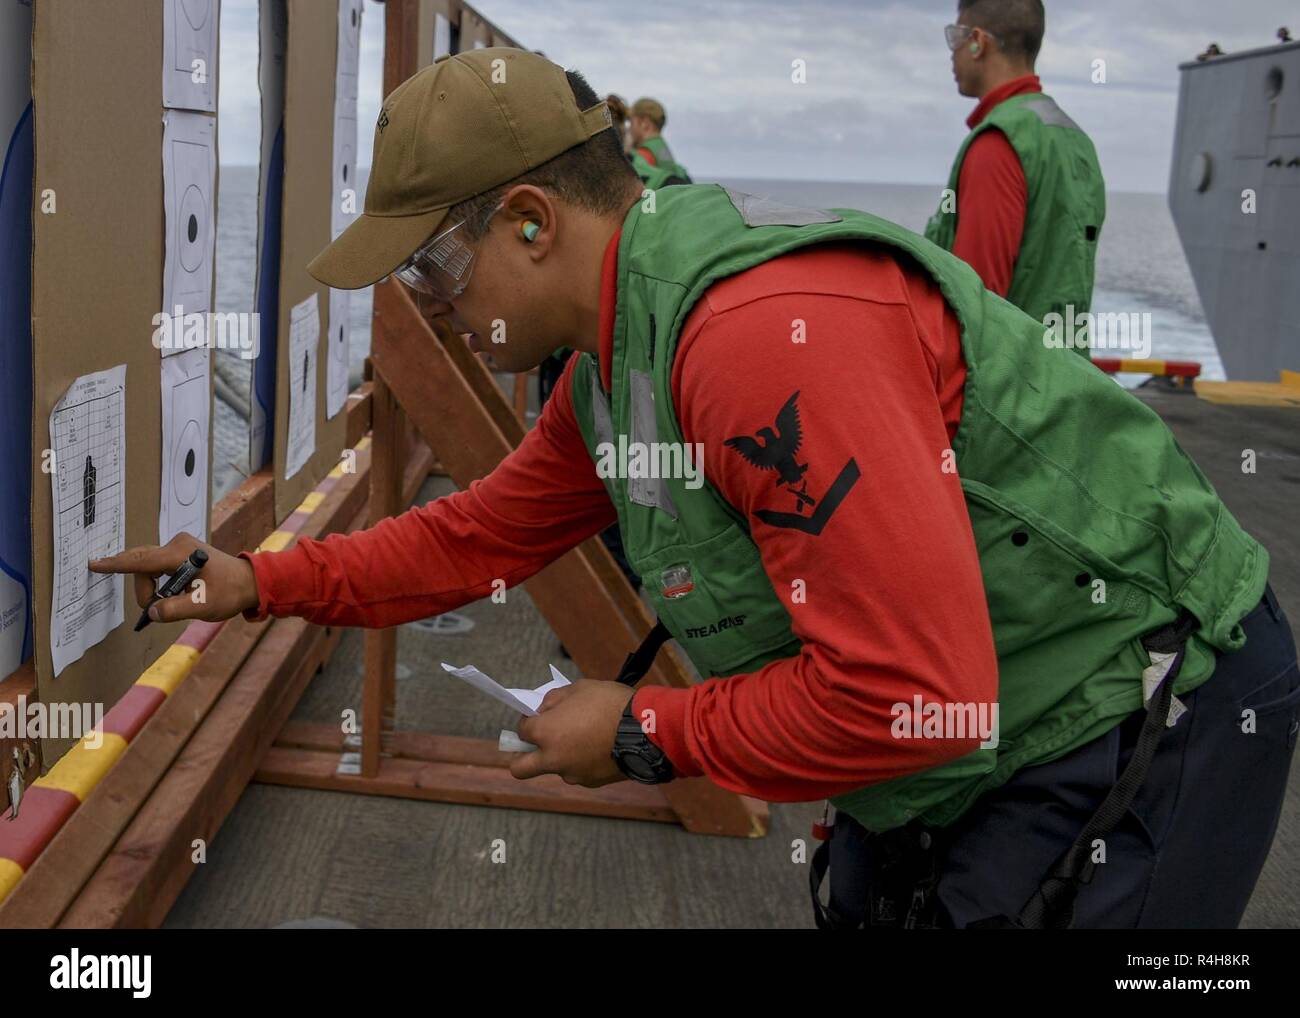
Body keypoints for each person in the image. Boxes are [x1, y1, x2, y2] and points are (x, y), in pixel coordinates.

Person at [92, 49, 1297, 929]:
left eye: (433, 268)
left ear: (529, 221)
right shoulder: (618, 360)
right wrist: (254, 579)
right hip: (965, 726)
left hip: (1138, 695)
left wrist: (640, 732)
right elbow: (478, 537)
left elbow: (912, 693)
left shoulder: (755, 342)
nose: (431, 306)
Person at [924, 0, 1105, 348]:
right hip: (1065, 371)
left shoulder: (998, 144)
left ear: (978, 42)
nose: (952, 53)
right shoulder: (1075, 141)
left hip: (1010, 377)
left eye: (955, 37)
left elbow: (976, 302)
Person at [626, 97, 692, 187]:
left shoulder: (643, 154)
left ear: (644, 123)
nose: (629, 128)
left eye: (631, 122)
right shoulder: (663, 150)